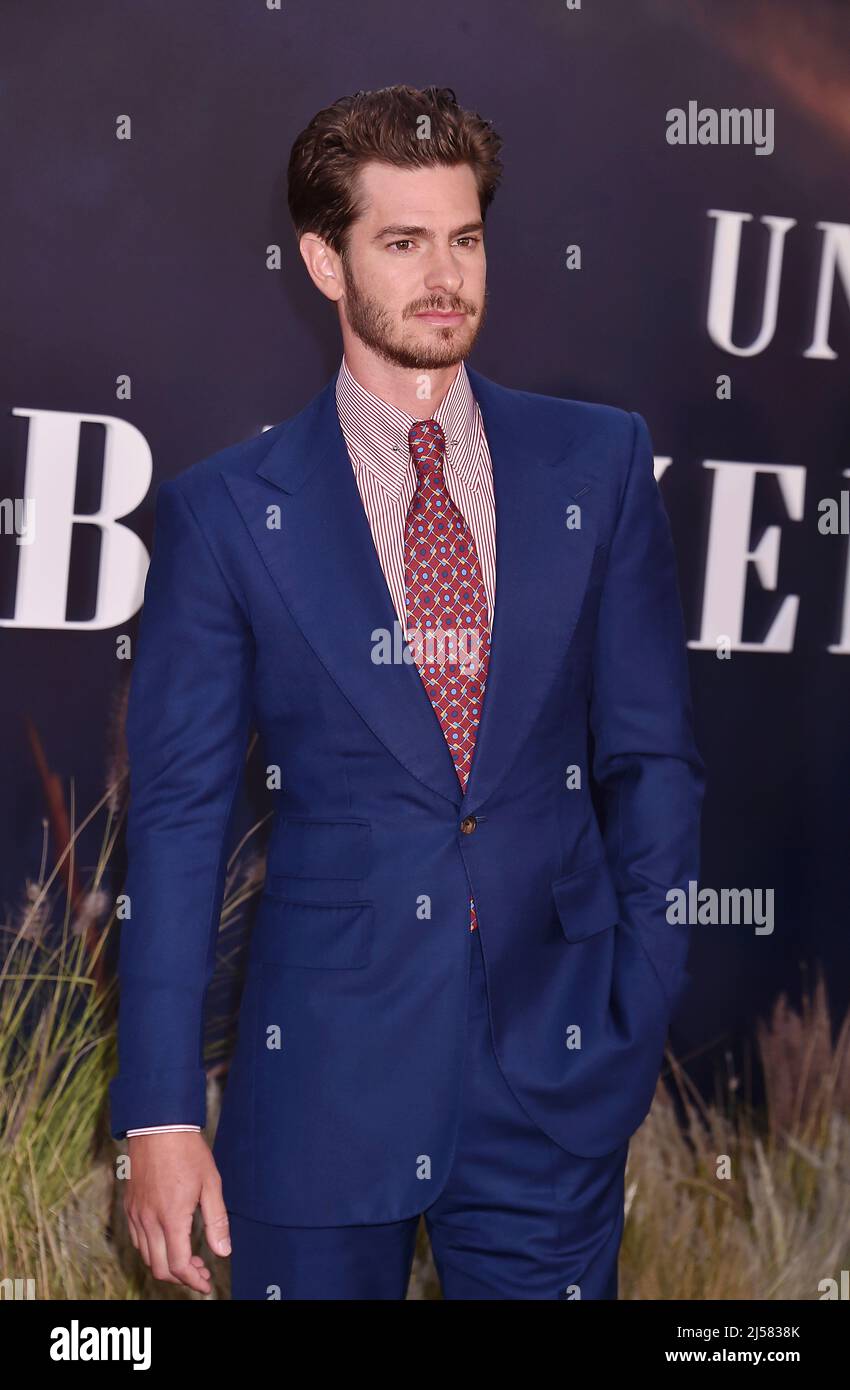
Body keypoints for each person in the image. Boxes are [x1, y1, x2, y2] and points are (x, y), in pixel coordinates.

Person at [109, 84, 704, 1300]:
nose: (446, 276)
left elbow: (652, 761)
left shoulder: (596, 461)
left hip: (554, 1083)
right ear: (324, 262)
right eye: (403, 241)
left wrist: (636, 999)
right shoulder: (228, 514)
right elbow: (176, 820)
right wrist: (159, 1114)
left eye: (466, 237)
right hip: (321, 1083)